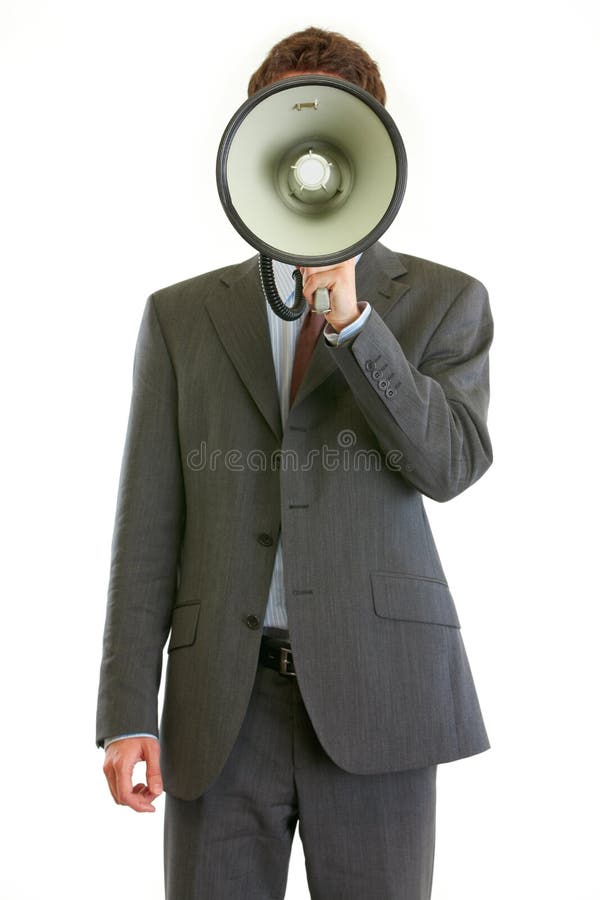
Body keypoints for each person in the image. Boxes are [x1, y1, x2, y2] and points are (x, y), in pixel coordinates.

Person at [96, 26, 494, 900]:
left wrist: (357, 326)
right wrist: (128, 709)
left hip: (379, 696)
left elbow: (451, 464)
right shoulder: (181, 317)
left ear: (373, 148)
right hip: (220, 710)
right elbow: (148, 525)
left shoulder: (443, 302)